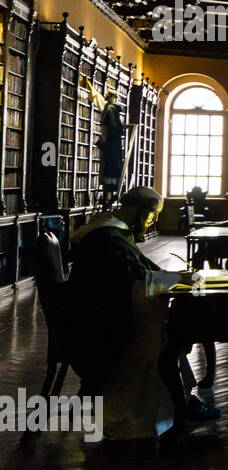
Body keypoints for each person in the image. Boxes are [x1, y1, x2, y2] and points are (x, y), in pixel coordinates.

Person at [66, 186, 219, 438]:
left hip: (103, 314)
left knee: (170, 329)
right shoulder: (105, 237)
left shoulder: (109, 231)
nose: (153, 222)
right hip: (100, 325)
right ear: (138, 211)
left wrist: (177, 277)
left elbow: (140, 266)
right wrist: (177, 279)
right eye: (152, 215)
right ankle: (178, 404)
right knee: (169, 335)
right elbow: (134, 278)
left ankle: (182, 400)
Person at [80, 75, 125, 208]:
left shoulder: (109, 109)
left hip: (110, 142)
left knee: (109, 165)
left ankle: (109, 195)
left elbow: (111, 126)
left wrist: (104, 141)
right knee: (111, 165)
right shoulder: (112, 109)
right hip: (112, 143)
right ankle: (110, 195)